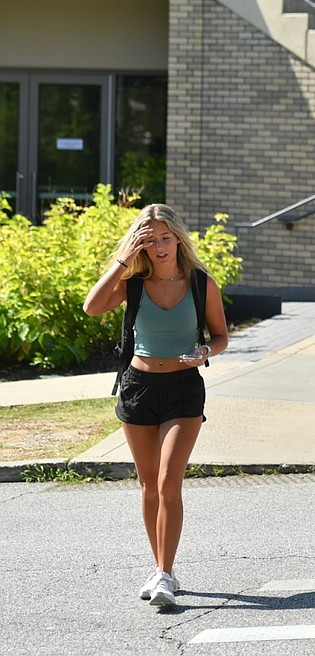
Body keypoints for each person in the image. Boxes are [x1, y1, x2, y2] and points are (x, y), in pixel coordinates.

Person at [83, 204, 229, 608]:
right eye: (150, 239)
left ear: (178, 238)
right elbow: (91, 307)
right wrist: (123, 258)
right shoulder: (132, 282)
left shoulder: (201, 283)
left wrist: (204, 352)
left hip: (183, 389)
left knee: (168, 481)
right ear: (139, 242)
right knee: (148, 486)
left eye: (166, 237)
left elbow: (220, 336)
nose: (160, 246)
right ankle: (160, 566)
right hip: (138, 387)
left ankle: (165, 573)